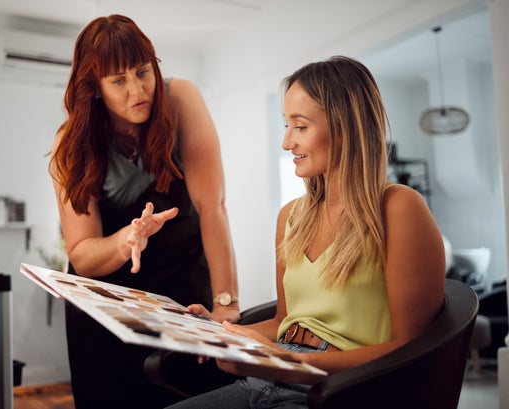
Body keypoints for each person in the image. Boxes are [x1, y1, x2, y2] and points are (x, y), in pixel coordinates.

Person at [164, 56, 446, 409]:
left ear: (345, 127)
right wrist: (221, 333)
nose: (286, 143)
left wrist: (291, 365)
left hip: (344, 392)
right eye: (287, 125)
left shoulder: (399, 208)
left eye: (300, 126)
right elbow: (285, 322)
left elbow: (412, 350)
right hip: (272, 379)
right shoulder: (291, 218)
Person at [49, 14, 240, 409]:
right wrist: (126, 240)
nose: (138, 89)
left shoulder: (181, 99)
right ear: (95, 89)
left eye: (142, 72)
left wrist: (226, 305)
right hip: (107, 299)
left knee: (191, 392)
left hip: (183, 285)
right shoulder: (71, 143)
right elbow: (81, 252)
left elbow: (212, 207)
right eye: (118, 80)